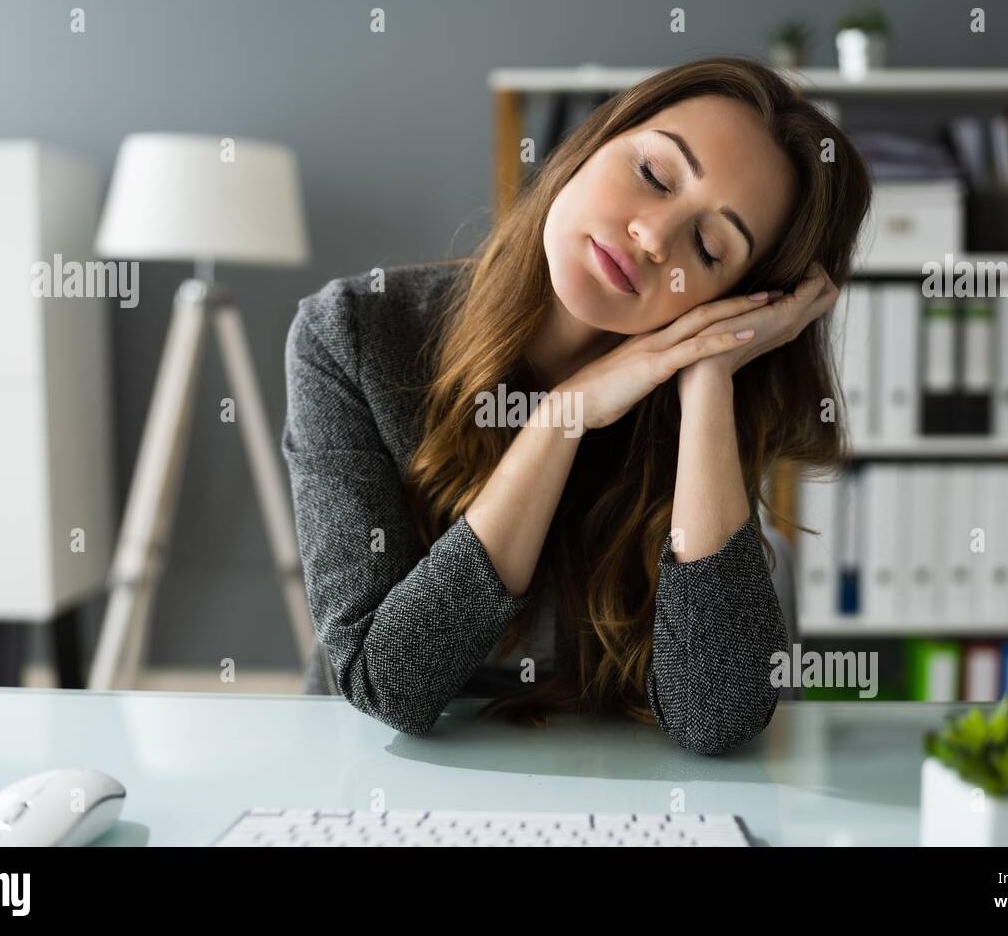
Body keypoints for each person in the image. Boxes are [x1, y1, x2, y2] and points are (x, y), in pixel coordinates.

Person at [282, 55, 871, 755]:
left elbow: (717, 719)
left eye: (710, 248)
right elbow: (388, 684)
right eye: (653, 174)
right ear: (589, 144)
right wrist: (561, 419)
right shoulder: (353, 333)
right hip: (375, 783)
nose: (654, 238)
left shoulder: (691, 413)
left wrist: (711, 374)